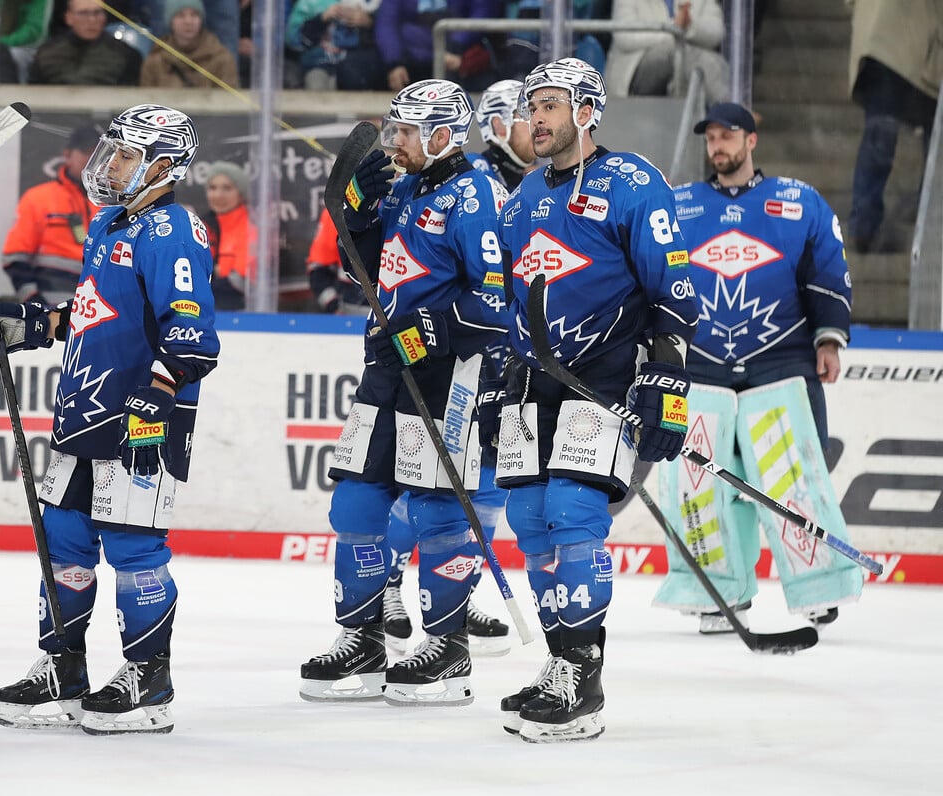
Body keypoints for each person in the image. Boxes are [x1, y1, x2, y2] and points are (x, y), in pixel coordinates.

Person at [0, 103, 219, 735]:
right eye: (112, 151)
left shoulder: (173, 231)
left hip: (141, 418)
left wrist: (157, 394)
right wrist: (29, 325)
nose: (108, 165)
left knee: (135, 549)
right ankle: (63, 667)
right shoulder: (109, 224)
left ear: (163, 164)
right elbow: (94, 313)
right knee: (66, 545)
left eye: (127, 155)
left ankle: (148, 678)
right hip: (83, 412)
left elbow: (191, 335)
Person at [495, 58, 698, 742]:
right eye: (533, 107)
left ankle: (583, 676)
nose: (538, 119)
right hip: (533, 380)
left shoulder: (633, 181)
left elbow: (673, 286)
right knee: (528, 515)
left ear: (586, 110)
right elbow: (509, 296)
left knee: (572, 511)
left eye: (550, 105)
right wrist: (504, 367)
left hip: (607, 374)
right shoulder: (523, 196)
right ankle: (560, 662)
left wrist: (668, 387)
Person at [299, 78, 510, 707]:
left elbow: (496, 304)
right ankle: (361, 638)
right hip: (385, 371)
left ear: (444, 135)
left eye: (408, 132)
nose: (396, 141)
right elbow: (367, 270)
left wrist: (422, 334)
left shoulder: (476, 195)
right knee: (358, 506)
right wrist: (356, 218)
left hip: (445, 377)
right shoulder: (410, 188)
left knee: (440, 512)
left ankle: (448, 649)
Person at [656, 101, 863, 633]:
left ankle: (818, 586)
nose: (717, 146)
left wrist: (829, 339)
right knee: (698, 486)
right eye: (711, 138)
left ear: (751, 141)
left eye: (728, 136)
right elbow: (652, 277)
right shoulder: (678, 206)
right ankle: (718, 595)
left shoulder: (798, 202)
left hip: (781, 360)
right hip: (702, 365)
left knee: (793, 476)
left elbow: (827, 271)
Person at [846, 0, 943, 253]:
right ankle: (928, 214)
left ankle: (865, 225)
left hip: (879, 43)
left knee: (880, 134)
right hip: (912, 46)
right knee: (929, 137)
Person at [1, 124, 101, 305]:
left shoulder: (115, 204)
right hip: (52, 311)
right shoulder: (38, 198)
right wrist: (34, 302)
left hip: (101, 310)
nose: (92, 160)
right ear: (67, 155)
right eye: (87, 152)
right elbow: (14, 258)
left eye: (99, 155)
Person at [603, 0, 730, 106]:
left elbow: (717, 33)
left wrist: (689, 26)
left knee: (712, 60)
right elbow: (624, 37)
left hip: (690, 65)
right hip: (635, 71)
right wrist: (673, 30)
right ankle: (731, 111)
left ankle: (729, 112)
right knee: (675, 50)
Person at [374, 0, 501, 93]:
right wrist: (395, 63)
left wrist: (455, 46)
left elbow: (482, 13)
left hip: (458, 57)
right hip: (411, 62)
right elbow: (387, 23)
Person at [29, 0, 141, 85]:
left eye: (97, 13)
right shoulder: (46, 53)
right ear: (68, 18)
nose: (92, 20)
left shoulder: (126, 54)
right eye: (83, 13)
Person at [285, 0, 383, 92]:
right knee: (316, 87)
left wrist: (369, 22)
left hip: (357, 69)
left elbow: (388, 36)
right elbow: (293, 40)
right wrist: (322, 18)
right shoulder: (310, 3)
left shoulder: (372, 3)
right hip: (317, 64)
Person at [139, 0, 238, 88]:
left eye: (194, 15)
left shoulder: (222, 59)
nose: (188, 21)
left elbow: (230, 103)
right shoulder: (154, 62)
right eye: (180, 15)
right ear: (171, 22)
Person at [202, 160, 256, 312]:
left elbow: (241, 281)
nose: (219, 195)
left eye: (227, 188)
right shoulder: (198, 224)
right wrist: (217, 271)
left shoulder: (252, 226)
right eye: (213, 188)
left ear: (241, 193)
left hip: (240, 315)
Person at [469, 78, 537, 192]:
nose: (538, 123)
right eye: (527, 115)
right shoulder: (472, 172)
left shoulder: (537, 181)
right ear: (499, 125)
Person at [304, 207, 367, 315]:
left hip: (399, 313)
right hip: (352, 312)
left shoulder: (401, 207)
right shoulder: (337, 209)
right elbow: (318, 271)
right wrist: (333, 305)